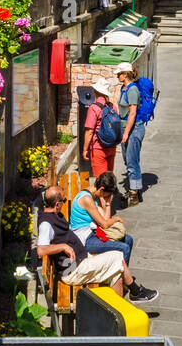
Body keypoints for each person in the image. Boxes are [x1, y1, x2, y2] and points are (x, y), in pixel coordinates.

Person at [69, 173, 158, 301]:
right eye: (107, 195)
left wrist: (108, 202)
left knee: (128, 240)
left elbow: (105, 219)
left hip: (93, 233)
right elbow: (105, 224)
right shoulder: (87, 199)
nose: (107, 198)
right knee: (123, 248)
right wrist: (116, 218)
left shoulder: (95, 195)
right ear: (101, 190)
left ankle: (121, 278)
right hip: (84, 239)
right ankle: (131, 289)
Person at [36, 186, 127, 295]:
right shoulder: (46, 224)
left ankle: (117, 307)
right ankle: (134, 291)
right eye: (64, 201)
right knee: (118, 257)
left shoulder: (53, 215)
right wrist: (63, 246)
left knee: (116, 269)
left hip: (80, 260)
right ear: (57, 204)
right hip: (73, 270)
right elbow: (41, 250)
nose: (64, 203)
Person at [117, 64, 146, 206]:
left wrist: (126, 133)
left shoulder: (132, 89)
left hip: (134, 130)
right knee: (128, 160)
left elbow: (132, 112)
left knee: (132, 161)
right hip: (126, 129)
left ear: (125, 74)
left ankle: (134, 194)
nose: (117, 76)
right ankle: (135, 188)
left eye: (119, 73)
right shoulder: (124, 88)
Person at [82, 78, 122, 179]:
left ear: (96, 91)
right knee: (109, 178)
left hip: (98, 147)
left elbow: (90, 131)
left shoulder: (94, 108)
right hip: (112, 146)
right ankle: (110, 194)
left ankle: (103, 195)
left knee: (101, 180)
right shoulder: (112, 107)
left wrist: (85, 149)